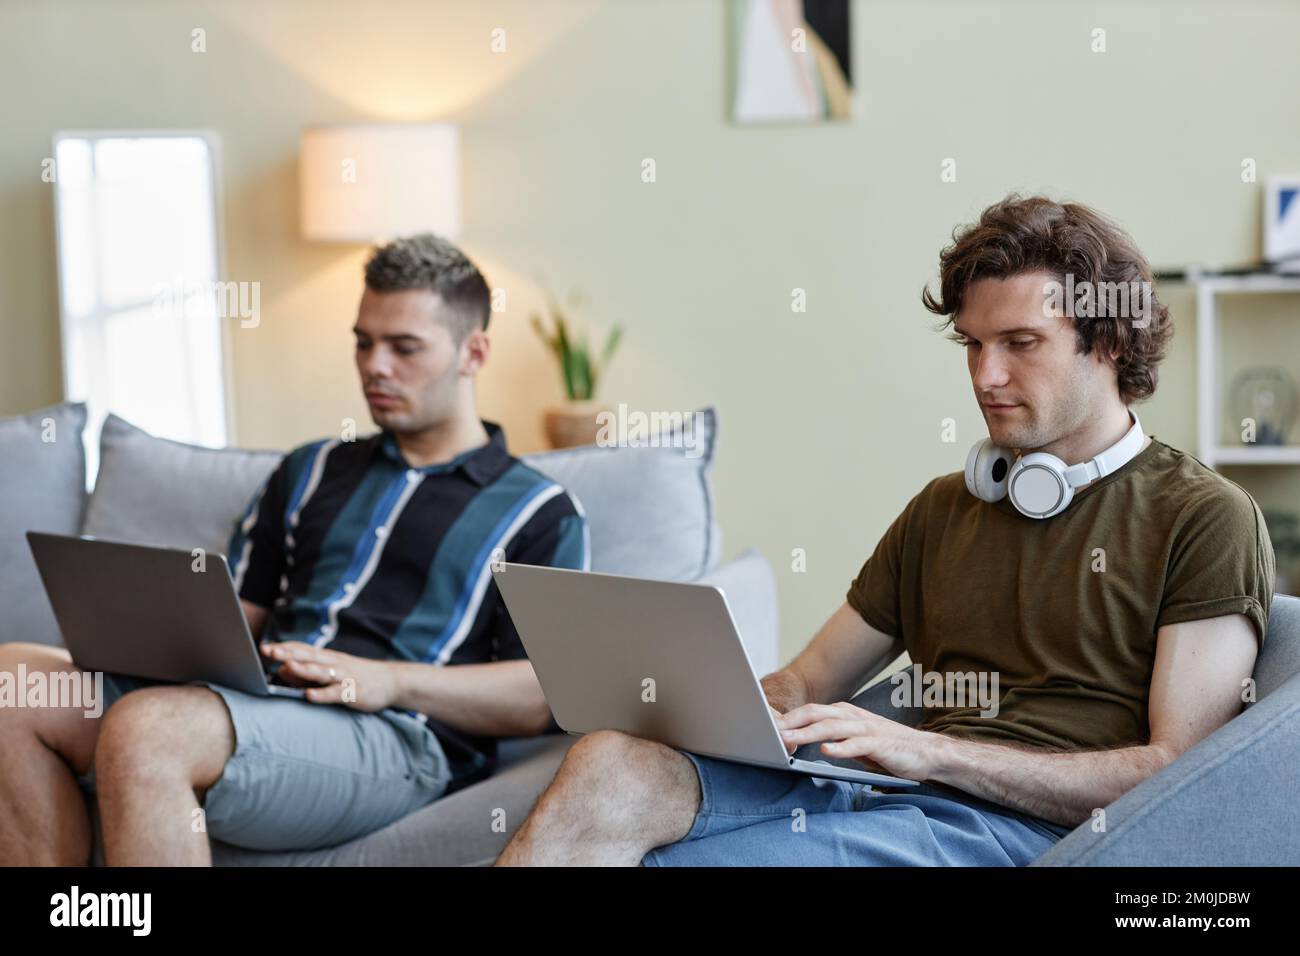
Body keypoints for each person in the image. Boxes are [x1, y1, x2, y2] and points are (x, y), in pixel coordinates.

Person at [496, 196, 1275, 867]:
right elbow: (807, 680)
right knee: (607, 766)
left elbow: (1179, 774)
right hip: (881, 794)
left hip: (1016, 831)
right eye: (973, 344)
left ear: (1105, 342)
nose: (984, 376)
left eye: (1020, 344)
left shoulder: (1203, 516)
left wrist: (930, 750)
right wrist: (718, 706)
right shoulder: (944, 509)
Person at [0, 234, 588, 865]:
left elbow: (540, 693)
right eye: (363, 341)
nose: (375, 366)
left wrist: (387, 681)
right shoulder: (311, 469)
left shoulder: (537, 510)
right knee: (15, 681)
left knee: (149, 729)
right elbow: (240, 619)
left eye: (404, 347)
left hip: (395, 737)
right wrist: (140, 632)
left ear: (474, 352)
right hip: (259, 701)